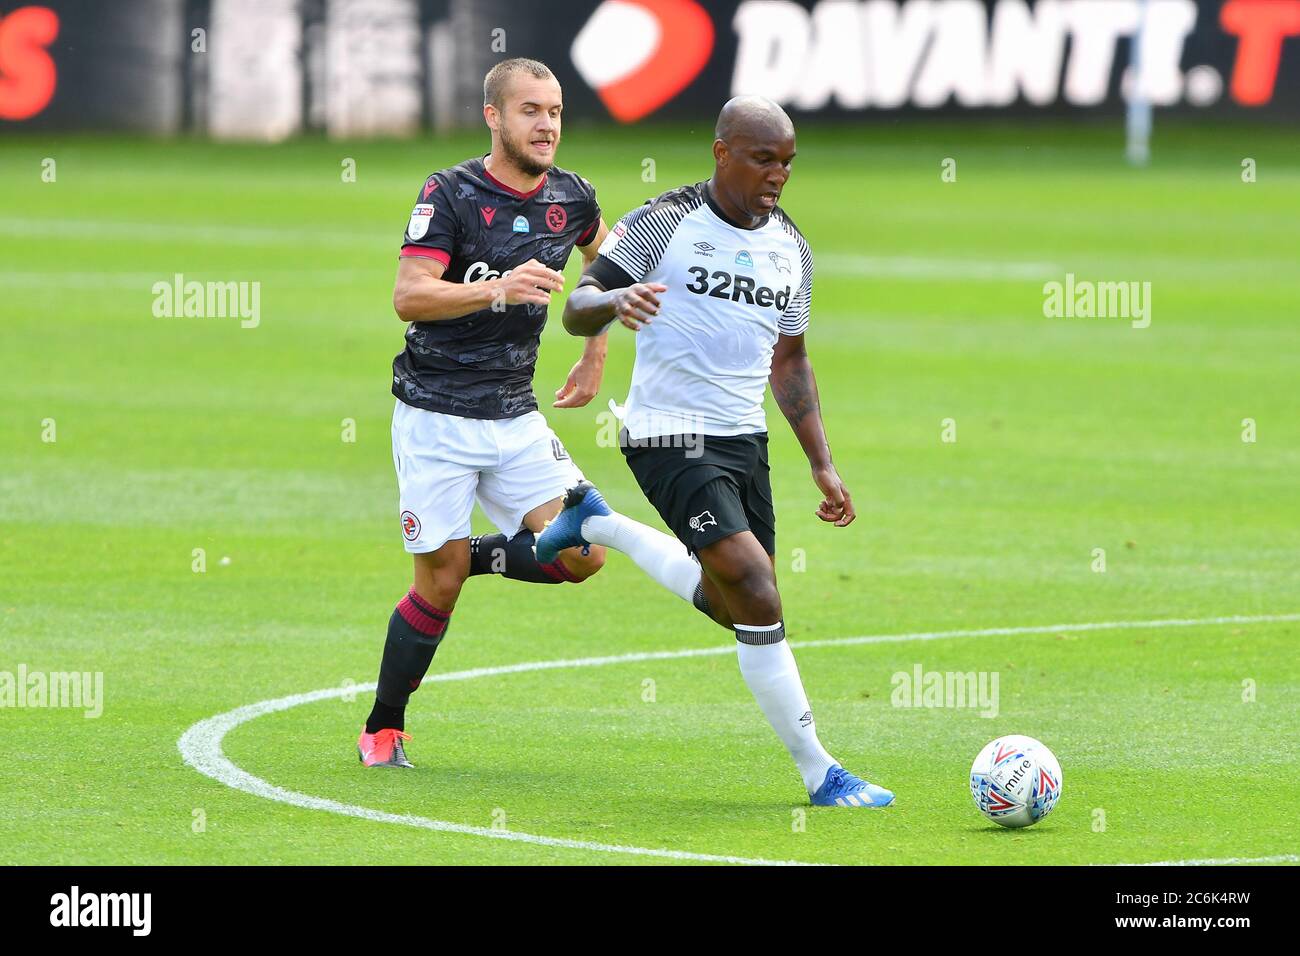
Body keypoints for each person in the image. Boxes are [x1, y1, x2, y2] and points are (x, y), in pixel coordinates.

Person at [537, 96, 894, 808]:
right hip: (667, 434)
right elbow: (576, 306)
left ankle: (596, 522)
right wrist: (614, 302)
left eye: (788, 162)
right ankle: (821, 772)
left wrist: (821, 462)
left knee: (738, 609)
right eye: (765, 158)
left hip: (743, 439)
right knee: (757, 585)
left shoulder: (792, 247)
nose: (778, 175)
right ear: (722, 151)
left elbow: (790, 360)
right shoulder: (662, 222)